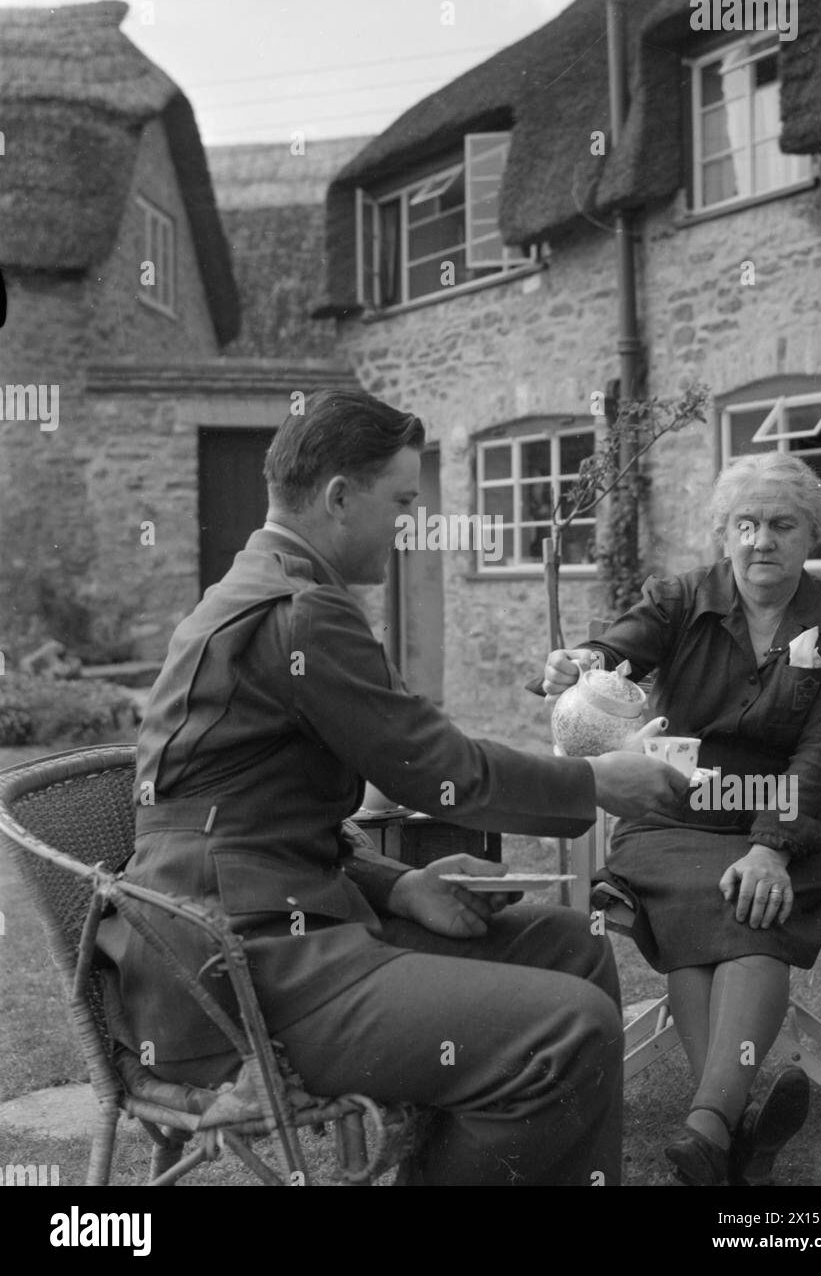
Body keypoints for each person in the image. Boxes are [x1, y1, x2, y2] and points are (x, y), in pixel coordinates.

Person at [95, 387, 689, 1187]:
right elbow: (441, 772)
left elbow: (261, 822)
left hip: (262, 931)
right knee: (567, 1028)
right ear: (339, 497)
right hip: (233, 977)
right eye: (401, 503)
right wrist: (595, 782)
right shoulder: (298, 614)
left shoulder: (256, 589)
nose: (409, 526)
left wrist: (402, 884)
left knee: (570, 946)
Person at [541, 452, 821, 1186]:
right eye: (745, 524)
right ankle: (721, 1129)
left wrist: (771, 849)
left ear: (811, 534)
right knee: (720, 906)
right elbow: (615, 653)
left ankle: (711, 1134)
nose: (762, 540)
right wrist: (581, 660)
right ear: (723, 532)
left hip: (787, 816)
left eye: (781, 525)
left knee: (750, 899)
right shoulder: (678, 597)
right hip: (670, 816)